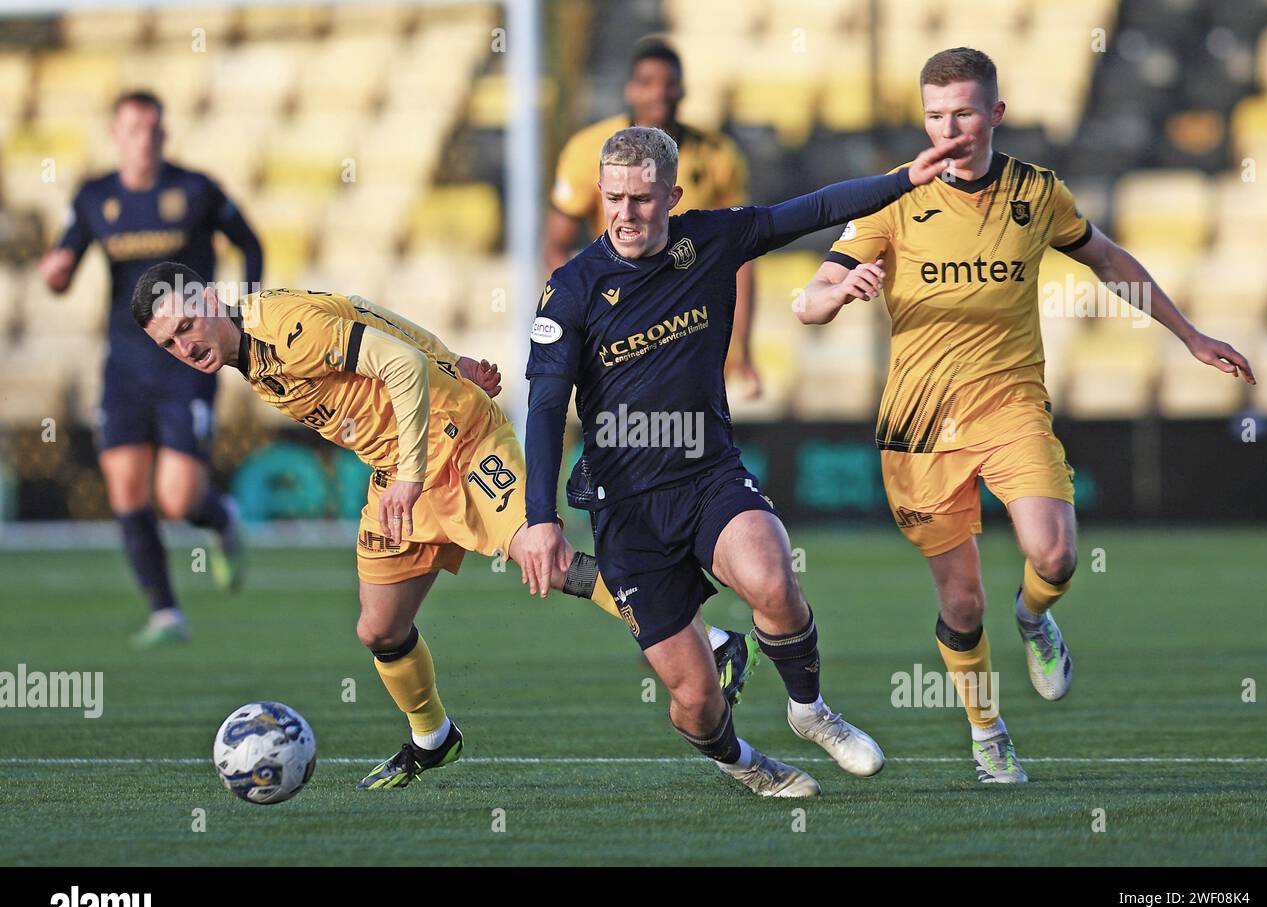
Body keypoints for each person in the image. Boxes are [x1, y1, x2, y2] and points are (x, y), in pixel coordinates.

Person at [797, 48, 1256, 782]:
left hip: (1010, 406)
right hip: (919, 429)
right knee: (963, 599)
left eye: (966, 112)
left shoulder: (1038, 193)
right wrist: (835, 294)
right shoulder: (892, 199)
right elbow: (810, 298)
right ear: (926, 119)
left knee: (1056, 555)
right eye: (937, 115)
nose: (951, 128)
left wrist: (1191, 336)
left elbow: (1109, 261)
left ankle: (1037, 618)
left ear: (995, 115)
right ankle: (987, 733)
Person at [129, 265, 755, 790]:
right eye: (170, 343)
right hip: (399, 469)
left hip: (458, 440)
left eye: (187, 325)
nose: (185, 346)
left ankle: (715, 637)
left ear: (211, 299)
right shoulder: (248, 343)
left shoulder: (289, 330)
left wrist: (428, 417)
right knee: (380, 627)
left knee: (546, 557)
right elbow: (368, 311)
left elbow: (396, 362)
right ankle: (433, 738)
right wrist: (450, 360)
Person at [518, 126, 969, 796]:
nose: (624, 213)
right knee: (697, 701)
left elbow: (814, 208)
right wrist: (541, 517)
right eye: (612, 198)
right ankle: (742, 763)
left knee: (771, 575)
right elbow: (548, 405)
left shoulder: (713, 239)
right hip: (628, 513)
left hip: (708, 475)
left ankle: (811, 710)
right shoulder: (573, 287)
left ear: (671, 195)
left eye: (641, 200)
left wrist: (907, 177)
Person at [38, 90, 263, 648]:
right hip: (125, 361)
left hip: (186, 360)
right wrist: (57, 270)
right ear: (116, 134)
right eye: (136, 128)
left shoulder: (194, 189)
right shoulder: (96, 196)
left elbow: (249, 242)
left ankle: (221, 519)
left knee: (179, 498)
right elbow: (65, 257)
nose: (147, 138)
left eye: (155, 128)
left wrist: (246, 304)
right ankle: (166, 612)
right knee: (125, 488)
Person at [545, 38, 761, 397]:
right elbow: (556, 245)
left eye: (669, 83)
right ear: (631, 90)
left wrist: (743, 346)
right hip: (623, 314)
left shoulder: (718, 154)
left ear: (683, 90)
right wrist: (587, 317)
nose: (659, 93)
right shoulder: (589, 149)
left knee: (693, 437)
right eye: (648, 82)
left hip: (695, 320)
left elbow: (743, 254)